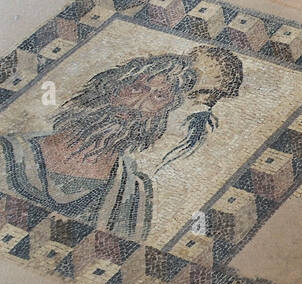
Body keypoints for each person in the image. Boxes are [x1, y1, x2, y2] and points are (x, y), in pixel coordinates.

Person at [0, 47, 243, 240]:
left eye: (158, 97)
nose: (138, 105)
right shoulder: (9, 151)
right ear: (110, 88)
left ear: (162, 115)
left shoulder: (130, 192)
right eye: (136, 88)